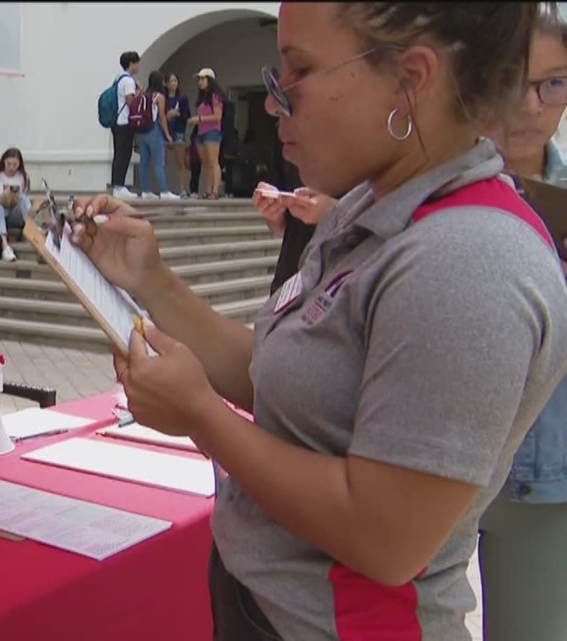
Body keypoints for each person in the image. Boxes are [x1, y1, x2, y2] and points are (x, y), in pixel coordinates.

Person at [69, 3, 567, 639]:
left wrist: (201, 416)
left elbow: (385, 537)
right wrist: (150, 279)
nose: (274, 103)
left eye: (299, 72)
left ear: (412, 79)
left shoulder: (468, 259)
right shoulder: (369, 207)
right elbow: (277, 374)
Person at [477, 7, 567, 640]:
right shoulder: (422, 192)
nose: (531, 105)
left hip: (540, 477)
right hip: (433, 463)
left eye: (553, 83)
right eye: (513, 80)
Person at [252, 183, 334, 293]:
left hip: (334, 284)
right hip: (287, 284)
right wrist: (273, 211)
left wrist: (334, 211)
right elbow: (283, 228)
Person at [0, 147, 31, 262]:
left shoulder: (22, 177)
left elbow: (22, 199)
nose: (11, 168)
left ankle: (32, 230)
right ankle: (5, 247)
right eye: (9, 164)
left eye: (15, 164)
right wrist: (6, 195)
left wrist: (16, 198)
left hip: (12, 214)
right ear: (3, 162)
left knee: (24, 199)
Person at [136, 71, 179, 200]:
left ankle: (146, 190)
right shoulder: (159, 97)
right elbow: (162, 117)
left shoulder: (143, 95)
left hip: (141, 132)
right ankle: (164, 191)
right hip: (154, 131)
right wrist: (167, 134)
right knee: (159, 163)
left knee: (144, 163)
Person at [188, 68, 225, 199]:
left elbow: (218, 116)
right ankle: (208, 190)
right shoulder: (202, 98)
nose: (200, 82)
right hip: (201, 132)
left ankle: (215, 190)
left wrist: (199, 119)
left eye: (203, 79)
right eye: (199, 79)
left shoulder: (215, 96)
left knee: (213, 161)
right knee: (205, 163)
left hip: (212, 131)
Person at [110, 51, 141, 199]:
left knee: (119, 154)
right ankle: (119, 186)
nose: (138, 66)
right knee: (124, 154)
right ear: (131, 64)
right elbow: (131, 102)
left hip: (117, 121)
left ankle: (118, 185)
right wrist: (139, 92)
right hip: (124, 122)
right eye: (137, 63)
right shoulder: (128, 81)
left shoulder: (118, 78)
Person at [163, 73, 192, 196]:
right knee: (162, 162)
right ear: (166, 83)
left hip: (178, 131)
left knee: (180, 162)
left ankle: (182, 189)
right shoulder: (163, 98)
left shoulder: (182, 98)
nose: (174, 83)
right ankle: (164, 188)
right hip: (165, 131)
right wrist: (166, 115)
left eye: (175, 80)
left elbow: (187, 116)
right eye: (171, 81)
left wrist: (177, 114)